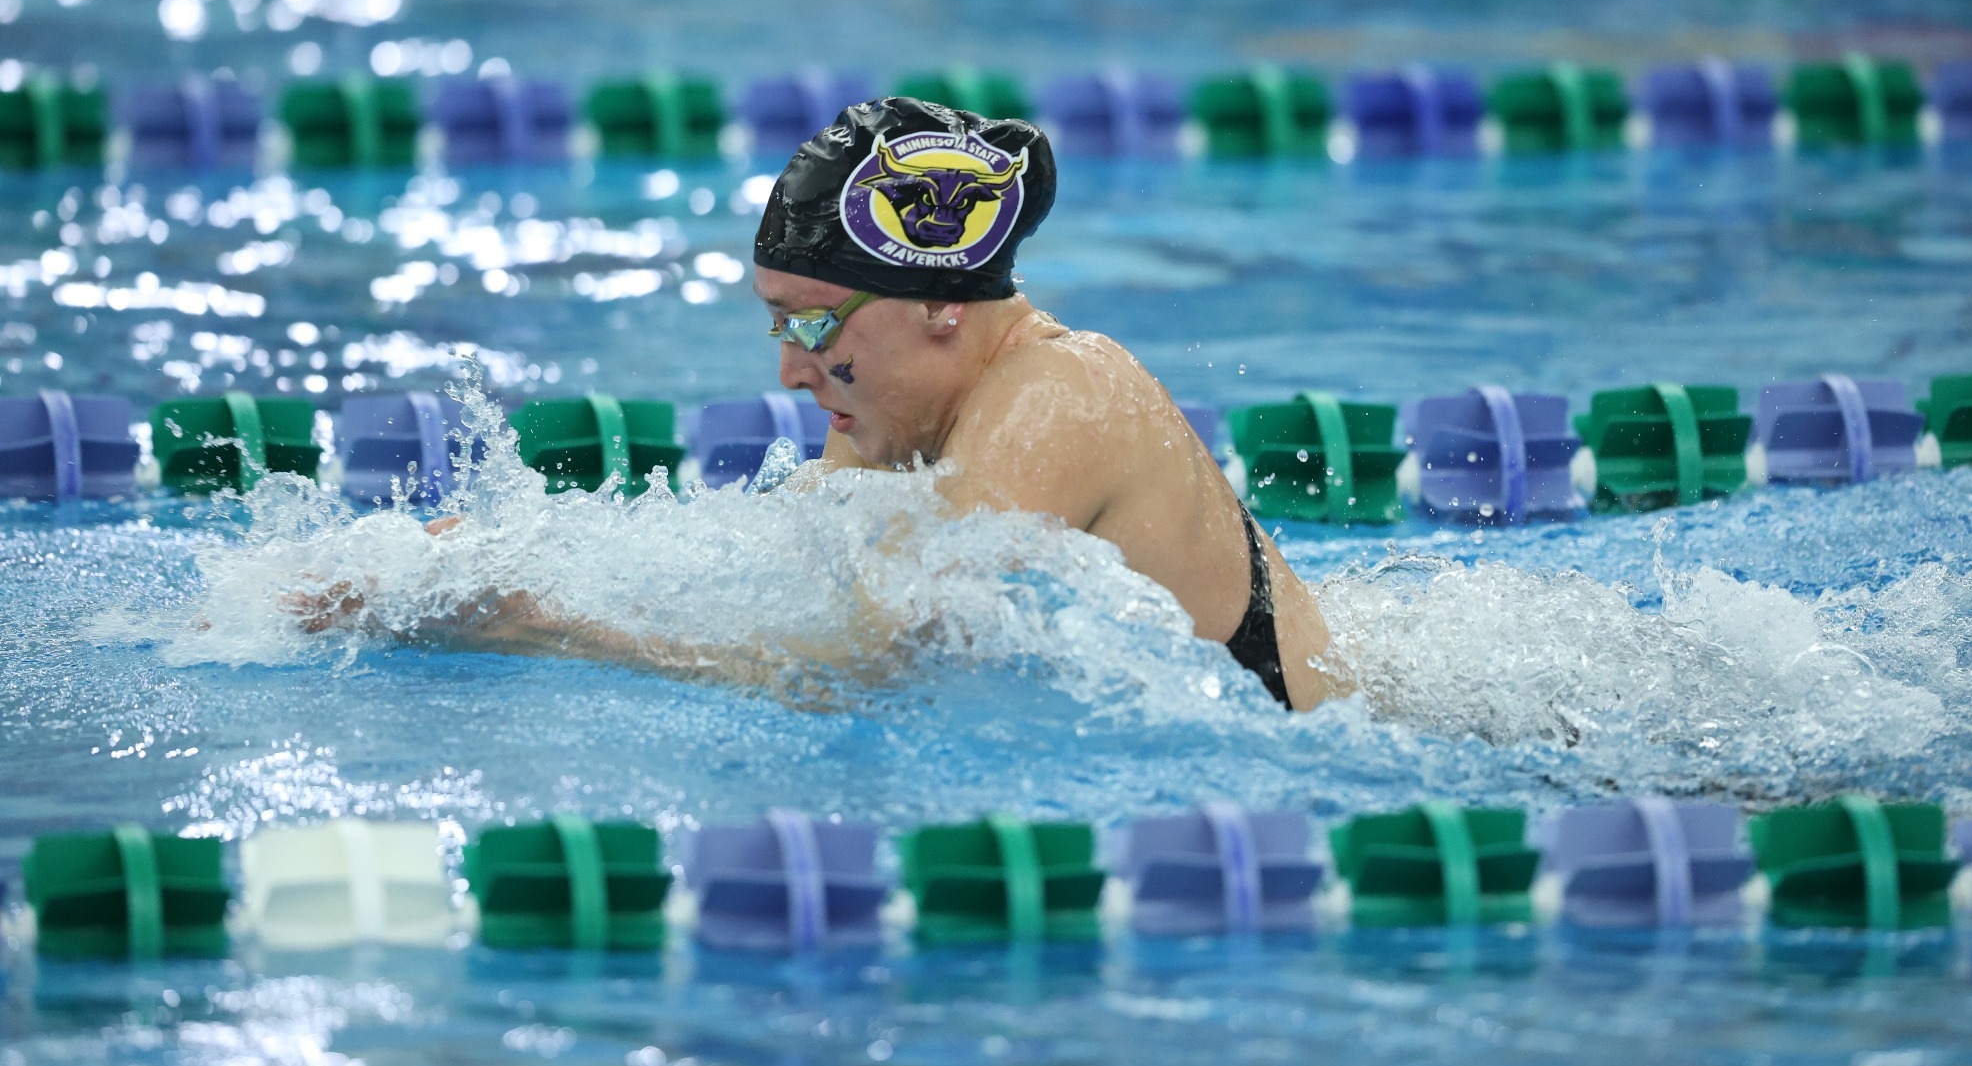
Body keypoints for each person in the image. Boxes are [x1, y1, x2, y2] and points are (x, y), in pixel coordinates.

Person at [288, 98, 1349, 712]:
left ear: (936, 301)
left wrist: (546, 629)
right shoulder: (908, 426)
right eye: (778, 326)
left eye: (810, 325)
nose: (793, 371)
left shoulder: (1058, 395)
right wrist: (501, 558)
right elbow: (778, 575)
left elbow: (879, 670)